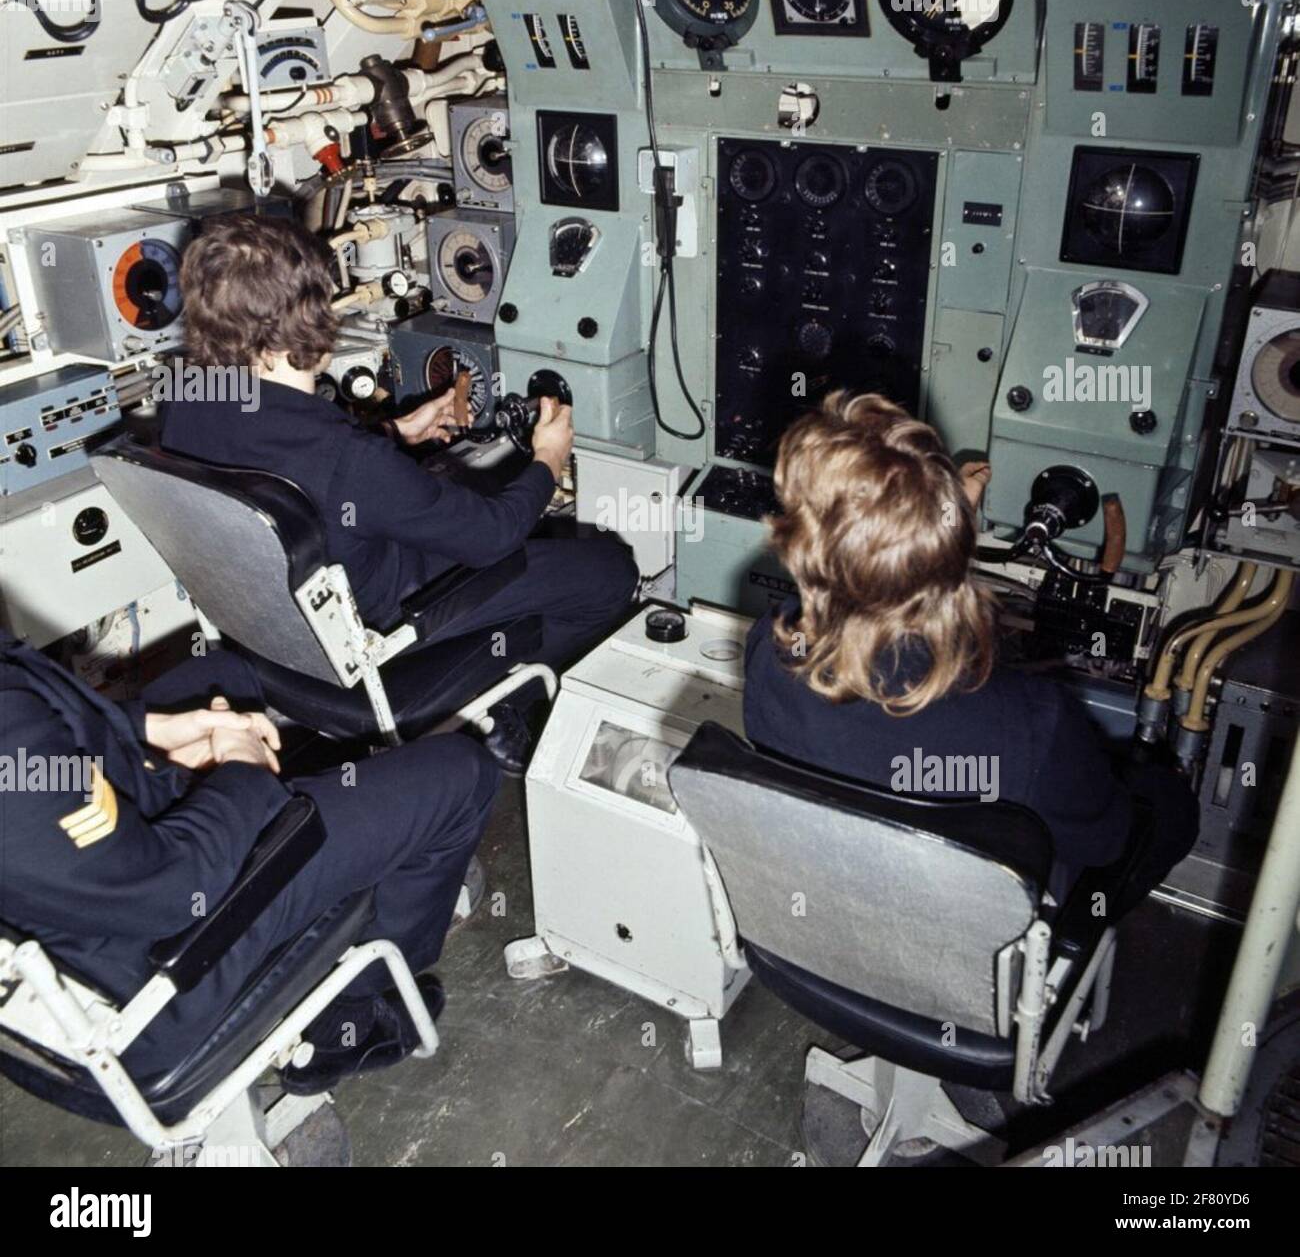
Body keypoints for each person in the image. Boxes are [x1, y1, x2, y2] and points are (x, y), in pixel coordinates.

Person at [160, 213, 638, 766]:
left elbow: (290, 454)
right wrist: (548, 458)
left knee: (457, 481)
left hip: (264, 636)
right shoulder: (349, 459)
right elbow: (493, 536)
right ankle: (513, 707)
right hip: (380, 639)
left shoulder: (188, 402)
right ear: (313, 318)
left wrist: (394, 431)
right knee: (608, 568)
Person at [743, 391, 1198, 915]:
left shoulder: (770, 652)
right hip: (955, 973)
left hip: (815, 938)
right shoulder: (1032, 724)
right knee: (1166, 806)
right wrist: (943, 532)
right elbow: (1105, 844)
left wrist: (932, 523)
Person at [0, 630, 499, 1092]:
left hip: (92, 889)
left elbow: (38, 721)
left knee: (225, 677)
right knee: (463, 773)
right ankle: (348, 1022)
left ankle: (361, 856)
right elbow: (172, 889)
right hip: (162, 967)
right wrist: (241, 771)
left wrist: (148, 732)